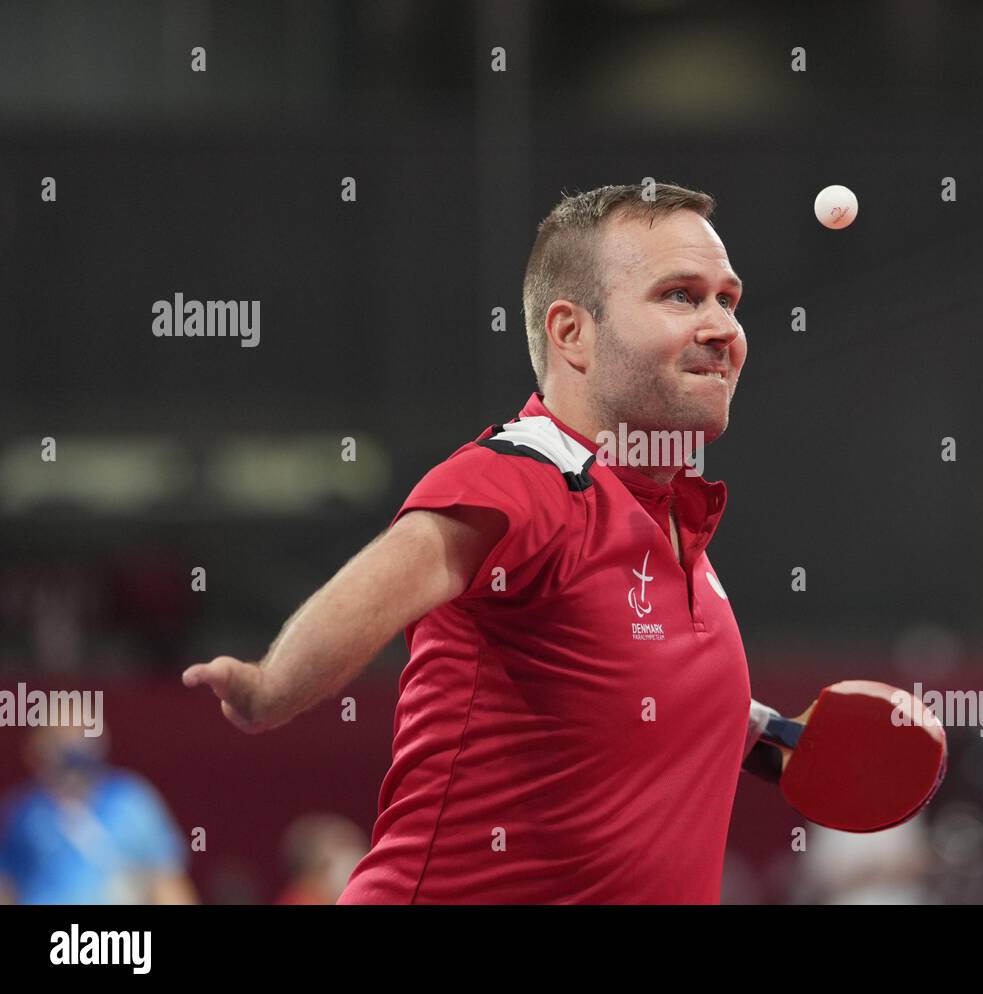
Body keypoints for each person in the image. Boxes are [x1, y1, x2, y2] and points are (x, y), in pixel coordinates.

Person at [184, 183, 802, 903]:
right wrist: (269, 689)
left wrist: (785, 742)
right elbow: (400, 566)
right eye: (680, 296)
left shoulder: (666, 514)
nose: (721, 326)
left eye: (727, 299)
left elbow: (635, 695)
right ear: (572, 332)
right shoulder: (529, 476)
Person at [0, 725, 197, 904]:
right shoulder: (21, 812)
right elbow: (6, 889)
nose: (72, 744)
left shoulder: (130, 802)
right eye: (61, 734)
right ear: (36, 745)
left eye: (81, 730)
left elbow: (167, 882)